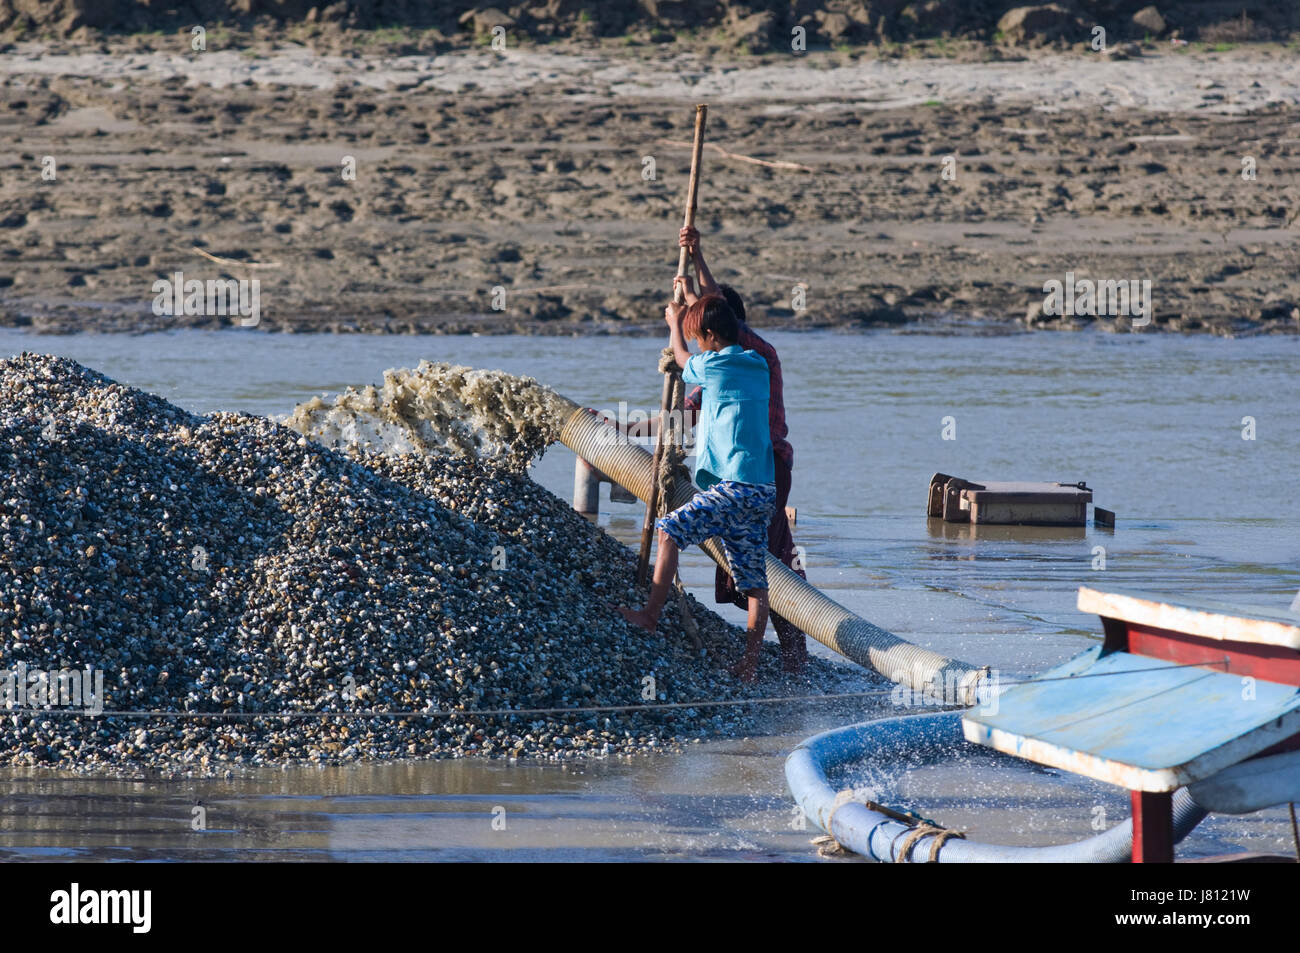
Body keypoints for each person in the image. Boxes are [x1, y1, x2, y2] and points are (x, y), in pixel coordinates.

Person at [619, 289, 776, 682]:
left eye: (698, 335)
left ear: (710, 336)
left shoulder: (716, 367)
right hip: (762, 490)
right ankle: (749, 667)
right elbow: (708, 340)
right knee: (754, 581)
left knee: (669, 530)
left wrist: (674, 324)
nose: (696, 342)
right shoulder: (757, 362)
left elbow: (684, 359)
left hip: (736, 486)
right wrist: (691, 300)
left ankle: (649, 616)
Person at [676, 225, 809, 673]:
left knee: (773, 556)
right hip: (736, 474)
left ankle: (794, 653)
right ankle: (775, 654)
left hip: (764, 466)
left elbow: (713, 304)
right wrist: (614, 426)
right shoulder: (718, 371)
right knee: (750, 565)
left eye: (703, 332)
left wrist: (696, 258)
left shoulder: (754, 353)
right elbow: (683, 415)